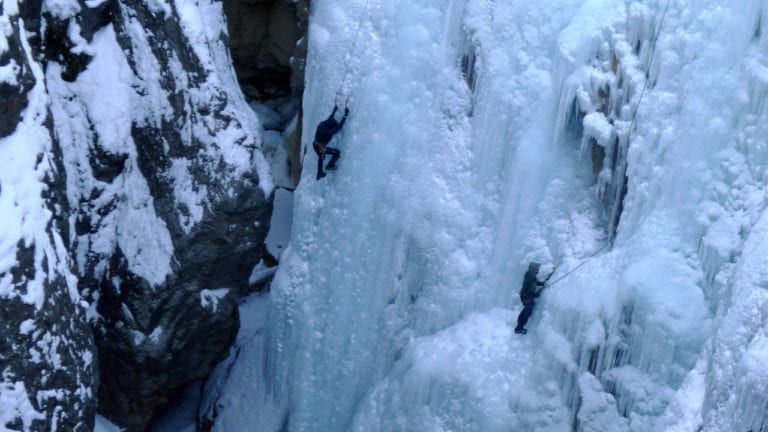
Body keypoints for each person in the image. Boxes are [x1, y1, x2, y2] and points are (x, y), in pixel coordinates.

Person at [313, 95, 350, 180]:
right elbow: (338, 128)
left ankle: (319, 173)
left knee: (321, 157)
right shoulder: (326, 131)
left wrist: (335, 109)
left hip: (316, 145)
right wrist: (345, 115)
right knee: (336, 153)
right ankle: (329, 166)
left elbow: (330, 117)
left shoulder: (324, 123)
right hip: (320, 146)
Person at [515, 262, 551, 334]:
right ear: (534, 269)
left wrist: (542, 283)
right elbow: (528, 287)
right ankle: (519, 328)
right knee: (527, 311)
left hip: (526, 296)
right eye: (537, 268)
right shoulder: (530, 276)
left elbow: (534, 282)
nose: (538, 270)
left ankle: (519, 326)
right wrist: (534, 295)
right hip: (526, 296)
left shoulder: (530, 275)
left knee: (525, 311)